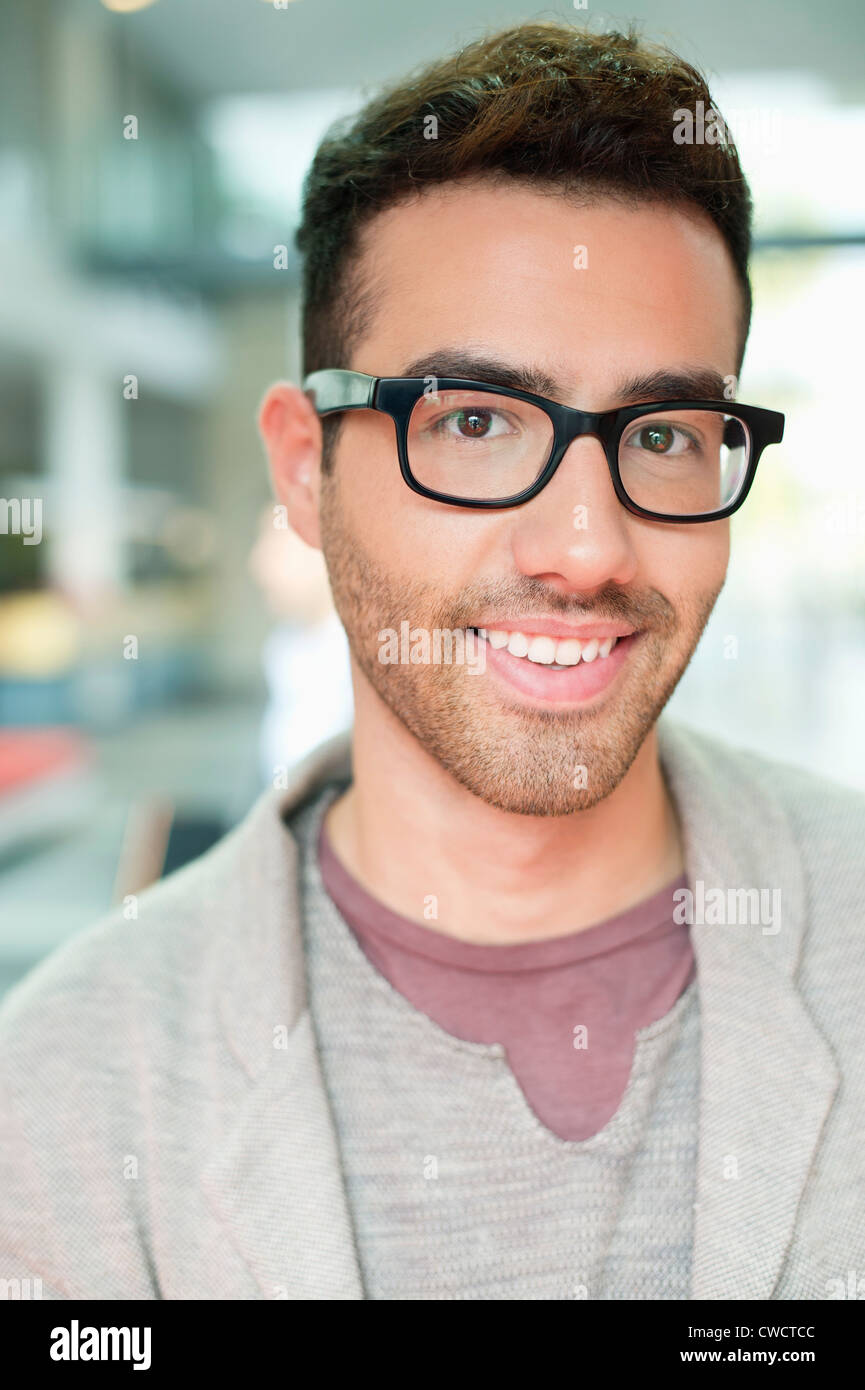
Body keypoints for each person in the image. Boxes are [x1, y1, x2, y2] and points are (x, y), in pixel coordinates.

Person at [1, 21, 862, 1302]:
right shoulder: (63, 1093)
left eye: (668, 434)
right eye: (472, 421)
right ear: (305, 467)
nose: (585, 546)